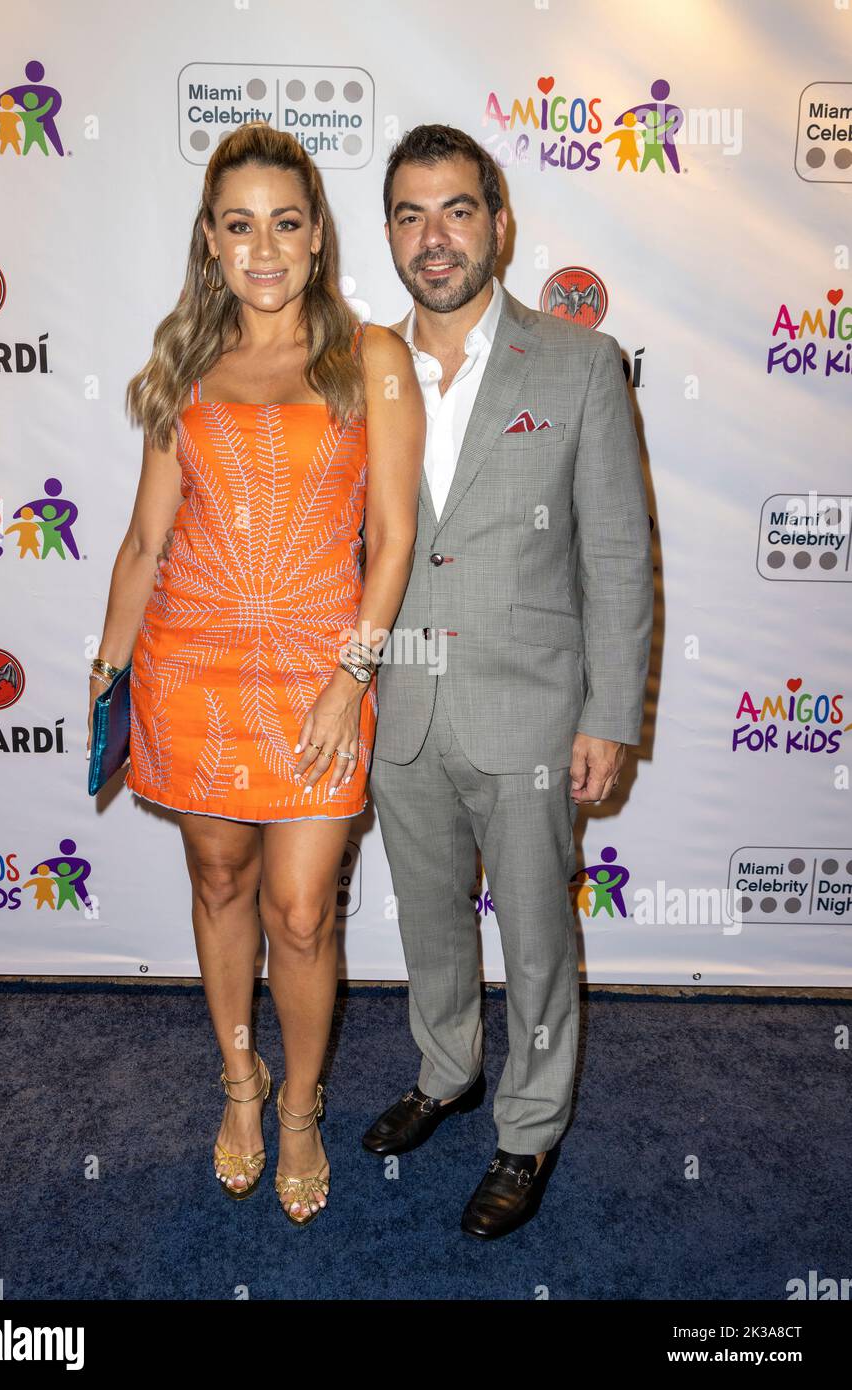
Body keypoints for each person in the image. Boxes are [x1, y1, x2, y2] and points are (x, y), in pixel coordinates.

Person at [87, 122, 424, 1226]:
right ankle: (241, 1080)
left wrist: (349, 678)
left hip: (320, 676)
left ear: (317, 236)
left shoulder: (370, 359)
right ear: (211, 240)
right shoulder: (182, 362)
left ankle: (299, 1109)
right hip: (193, 668)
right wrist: (109, 667)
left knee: (301, 910)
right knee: (221, 884)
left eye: (286, 222)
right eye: (241, 225)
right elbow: (145, 542)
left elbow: (392, 534)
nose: (264, 247)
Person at [361, 125, 655, 1240]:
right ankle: (447, 1072)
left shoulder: (579, 362)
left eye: (456, 211)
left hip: (531, 706)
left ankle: (528, 1129)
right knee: (430, 920)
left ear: (498, 222)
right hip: (402, 701)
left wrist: (608, 714)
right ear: (388, 231)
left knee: (535, 934)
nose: (433, 239)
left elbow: (617, 556)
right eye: (408, 214)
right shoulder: (357, 366)